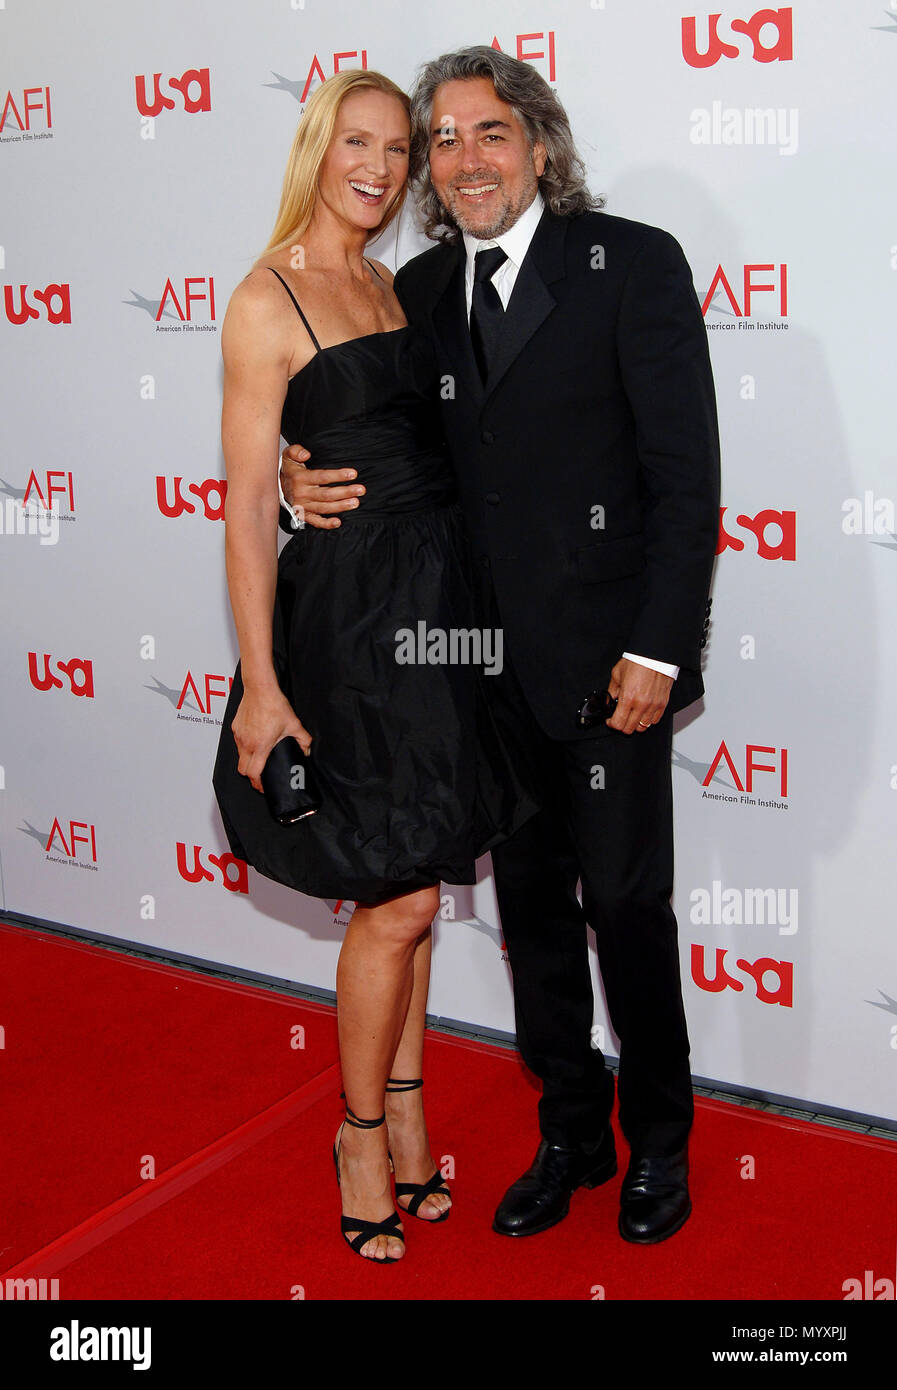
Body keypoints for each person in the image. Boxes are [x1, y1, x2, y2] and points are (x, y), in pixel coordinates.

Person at [280, 46, 721, 1245]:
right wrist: (289, 471)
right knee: (530, 921)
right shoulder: (415, 291)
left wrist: (659, 651)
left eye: (488, 133)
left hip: (607, 671)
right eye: (441, 140)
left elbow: (687, 484)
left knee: (628, 910)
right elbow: (365, 431)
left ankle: (660, 1147)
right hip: (473, 676)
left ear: (537, 142)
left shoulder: (629, 265)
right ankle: (572, 1130)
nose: (463, 160)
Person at [211, 68, 536, 1265]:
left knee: (418, 875)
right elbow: (248, 510)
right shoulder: (266, 299)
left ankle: (405, 1117)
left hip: (436, 612)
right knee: (394, 896)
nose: (383, 166)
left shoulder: (397, 289)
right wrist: (263, 688)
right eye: (359, 142)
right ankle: (357, 1135)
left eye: (400, 148)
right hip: (345, 630)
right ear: (318, 147)